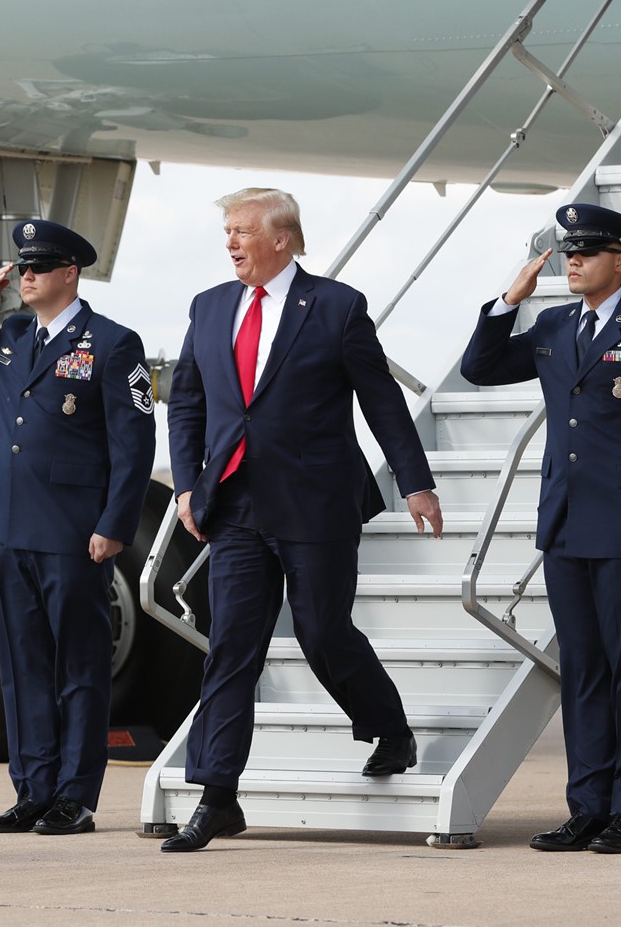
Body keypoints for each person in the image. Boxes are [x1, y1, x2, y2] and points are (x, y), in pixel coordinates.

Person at [160, 187, 444, 853]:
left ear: (281, 238)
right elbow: (187, 403)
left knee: (322, 633)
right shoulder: (209, 308)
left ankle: (388, 727)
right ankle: (217, 795)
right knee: (232, 646)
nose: (230, 242)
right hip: (234, 505)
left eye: (241, 231)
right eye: (226, 231)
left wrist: (416, 483)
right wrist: (186, 487)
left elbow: (381, 403)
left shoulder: (337, 308)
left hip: (316, 503)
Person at [459, 203, 621, 854]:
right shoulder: (550, 326)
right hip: (567, 529)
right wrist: (505, 301)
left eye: (588, 252)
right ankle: (588, 807)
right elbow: (480, 368)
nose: (573, 261)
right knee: (583, 674)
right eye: (569, 252)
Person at [0, 219, 156, 837]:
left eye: (37, 268)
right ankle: (32, 790)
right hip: (12, 526)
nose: (25, 277)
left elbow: (133, 445)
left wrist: (115, 524)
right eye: (21, 268)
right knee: (23, 668)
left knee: (78, 667)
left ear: (70, 274)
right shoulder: (12, 335)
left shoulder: (112, 342)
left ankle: (75, 796)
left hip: (76, 533)